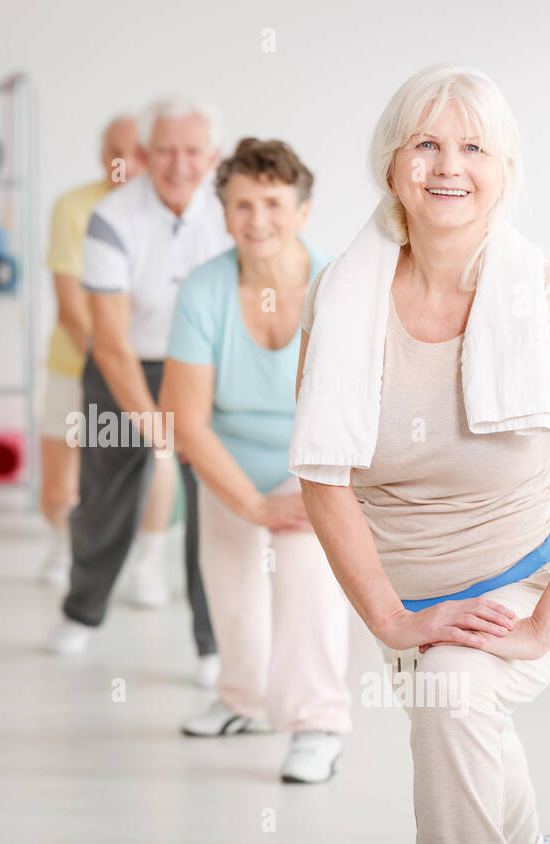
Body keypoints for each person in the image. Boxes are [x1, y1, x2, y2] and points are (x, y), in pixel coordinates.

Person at [290, 65, 550, 844]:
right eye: (427, 144)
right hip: (408, 601)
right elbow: (322, 477)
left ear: (504, 171)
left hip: (528, 581)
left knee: (453, 693)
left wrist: (543, 623)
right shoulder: (340, 299)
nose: (449, 165)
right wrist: (388, 617)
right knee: (461, 711)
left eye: (474, 146)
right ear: (392, 164)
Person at [161, 138, 352, 782]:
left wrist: (307, 493)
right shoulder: (204, 290)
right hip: (228, 466)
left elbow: (367, 405)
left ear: (302, 210)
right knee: (234, 591)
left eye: (273, 203)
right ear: (223, 213)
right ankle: (243, 702)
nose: (257, 219)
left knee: (302, 576)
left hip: (316, 468)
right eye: (242, 204)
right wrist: (249, 503)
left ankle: (319, 722)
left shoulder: (341, 285)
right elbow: (184, 420)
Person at [46, 96, 232, 688]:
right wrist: (153, 425)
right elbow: (109, 338)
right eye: (166, 150)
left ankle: (212, 641)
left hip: (204, 366)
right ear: (146, 154)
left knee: (212, 500)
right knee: (105, 498)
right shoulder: (113, 215)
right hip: (120, 365)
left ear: (214, 155)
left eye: (192, 150)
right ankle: (82, 610)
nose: (179, 163)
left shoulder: (231, 211)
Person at [39, 115, 178, 608]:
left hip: (146, 366)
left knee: (154, 461)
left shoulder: (168, 213)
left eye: (139, 152)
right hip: (76, 363)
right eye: (118, 153)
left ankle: (148, 563)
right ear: (103, 158)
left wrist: (135, 376)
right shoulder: (74, 207)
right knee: (59, 488)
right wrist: (111, 367)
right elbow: (73, 307)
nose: (128, 163)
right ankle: (67, 548)